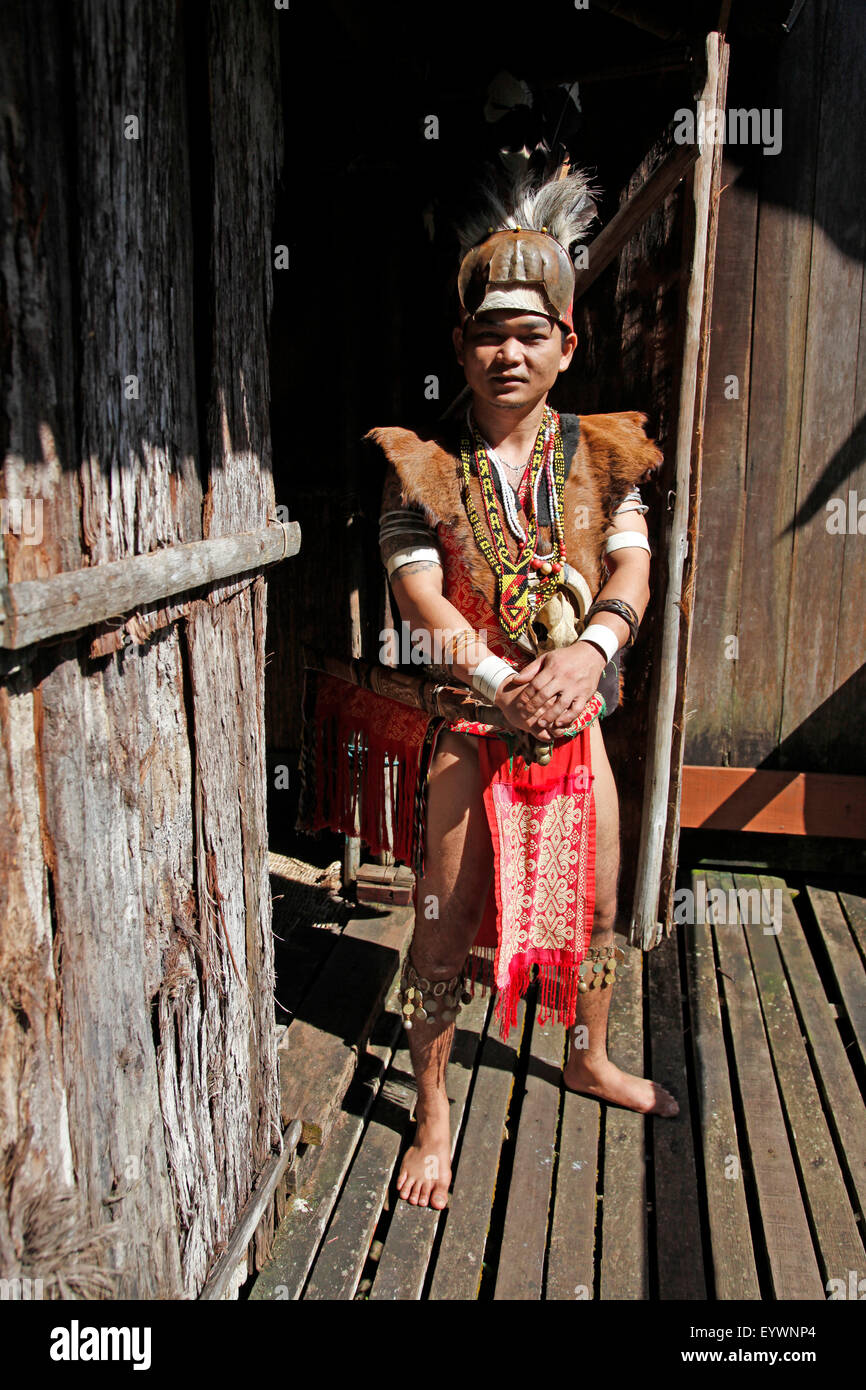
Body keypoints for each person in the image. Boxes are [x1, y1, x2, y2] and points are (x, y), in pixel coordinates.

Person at [366, 171, 679, 1212]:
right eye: (488, 334)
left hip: (573, 723)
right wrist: (503, 681)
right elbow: (420, 598)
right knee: (441, 923)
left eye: (529, 334)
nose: (508, 352)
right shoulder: (421, 468)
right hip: (469, 722)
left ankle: (586, 1054)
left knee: (591, 910)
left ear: (565, 346)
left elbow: (632, 567)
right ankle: (433, 1110)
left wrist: (589, 654)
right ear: (460, 347)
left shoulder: (603, 455)